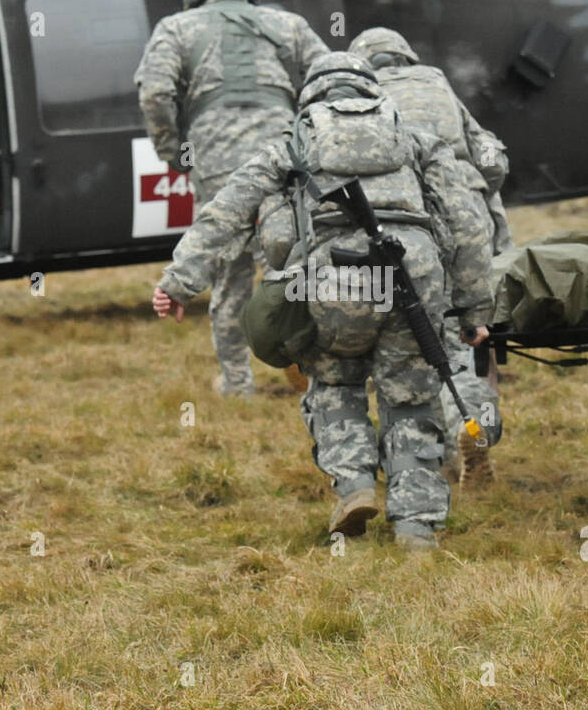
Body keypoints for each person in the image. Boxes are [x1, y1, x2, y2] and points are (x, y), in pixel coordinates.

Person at [153, 53, 493, 550]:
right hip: (413, 280)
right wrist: (474, 310)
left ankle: (355, 489)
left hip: (334, 281)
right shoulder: (415, 139)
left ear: (310, 96)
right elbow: (469, 225)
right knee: (411, 401)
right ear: (371, 92)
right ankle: (417, 531)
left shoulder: (292, 142)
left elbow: (225, 210)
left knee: (336, 388)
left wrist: (179, 282)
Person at [135, 0, 329, 396]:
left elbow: (156, 93)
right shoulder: (289, 25)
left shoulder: (176, 28)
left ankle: (238, 386)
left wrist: (175, 153)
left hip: (217, 160)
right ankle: (315, 372)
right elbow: (331, 77)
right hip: (285, 157)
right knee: (291, 262)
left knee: (228, 273)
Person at [348, 27, 510, 488]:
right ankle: (476, 427)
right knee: (470, 339)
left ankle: (432, 452)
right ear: (406, 55)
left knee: (419, 339)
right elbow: (493, 160)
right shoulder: (437, 82)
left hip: (409, 224)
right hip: (470, 216)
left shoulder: (364, 98)